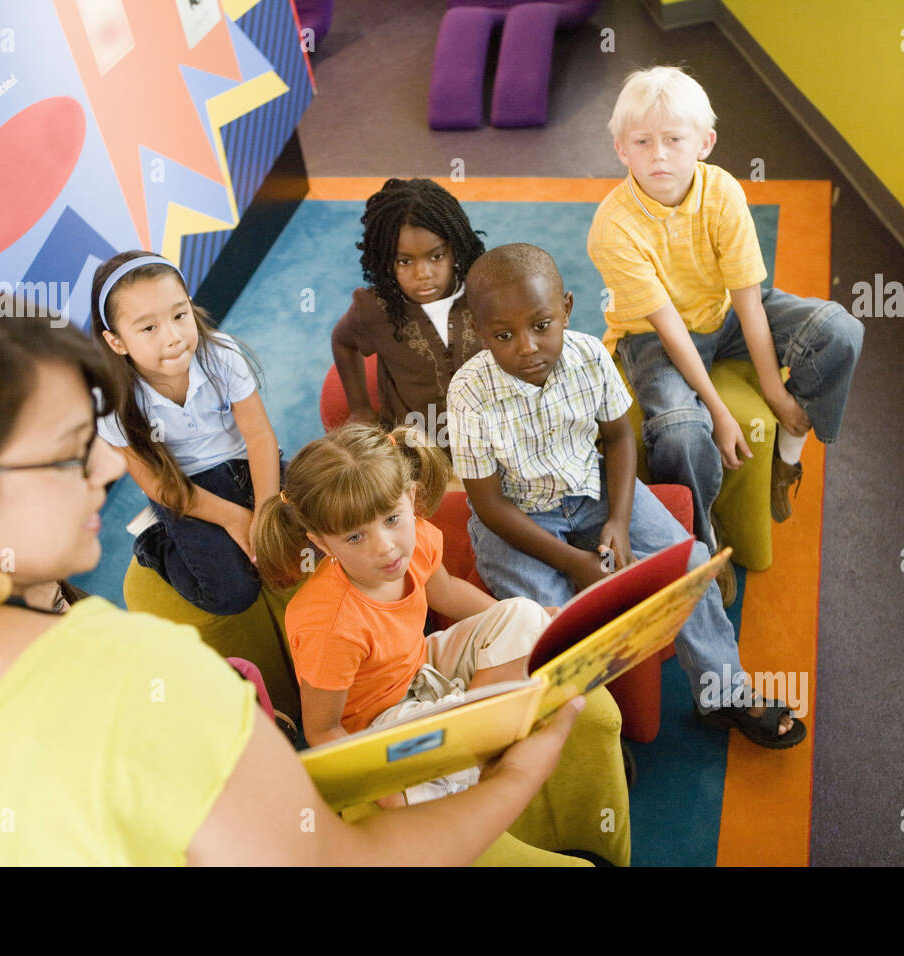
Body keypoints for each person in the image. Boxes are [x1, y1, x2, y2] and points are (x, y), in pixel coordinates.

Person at [0, 282, 584, 866]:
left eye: (95, 441)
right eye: (66, 452)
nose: (105, 476)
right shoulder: (137, 673)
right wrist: (517, 776)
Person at [446, 244, 805, 748]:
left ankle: (722, 692)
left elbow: (616, 440)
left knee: (690, 561)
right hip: (513, 517)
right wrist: (574, 563)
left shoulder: (591, 356)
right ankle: (591, 729)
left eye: (542, 325)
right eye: (503, 335)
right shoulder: (467, 393)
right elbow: (487, 504)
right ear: (479, 333)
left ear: (566, 309)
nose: (526, 346)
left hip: (592, 488)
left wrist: (617, 519)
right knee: (547, 620)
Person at [587, 66, 863, 562]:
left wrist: (777, 395)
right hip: (653, 336)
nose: (659, 154)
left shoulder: (723, 193)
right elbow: (670, 329)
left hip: (727, 314)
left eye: (674, 139)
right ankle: (699, 540)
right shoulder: (612, 228)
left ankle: (787, 457)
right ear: (621, 150)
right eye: (643, 142)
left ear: (704, 143)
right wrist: (717, 410)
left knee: (839, 331)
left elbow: (747, 299)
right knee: (679, 430)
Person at [253, 423, 566, 805]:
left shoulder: (417, 540)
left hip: (424, 667)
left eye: (391, 519)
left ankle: (473, 736)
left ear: (411, 498)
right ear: (320, 542)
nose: (385, 548)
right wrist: (383, 789)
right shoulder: (329, 624)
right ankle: (477, 738)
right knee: (416, 773)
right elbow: (323, 730)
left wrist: (523, 623)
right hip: (381, 722)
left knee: (525, 613)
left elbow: (447, 593)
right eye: (355, 537)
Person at [91, 251, 282, 616]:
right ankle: (156, 541)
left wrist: (266, 509)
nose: (174, 337)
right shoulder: (113, 401)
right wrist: (235, 518)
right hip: (184, 490)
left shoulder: (223, 355)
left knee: (316, 540)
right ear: (116, 342)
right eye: (149, 328)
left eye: (179, 316)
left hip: (244, 469)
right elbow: (159, 486)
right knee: (231, 595)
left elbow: (259, 437)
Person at [330, 178, 486, 443]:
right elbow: (342, 341)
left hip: (488, 437)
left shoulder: (486, 292)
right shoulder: (373, 310)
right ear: (386, 259)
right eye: (405, 261)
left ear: (455, 247)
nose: (423, 274)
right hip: (415, 445)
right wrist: (360, 409)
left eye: (436, 256)